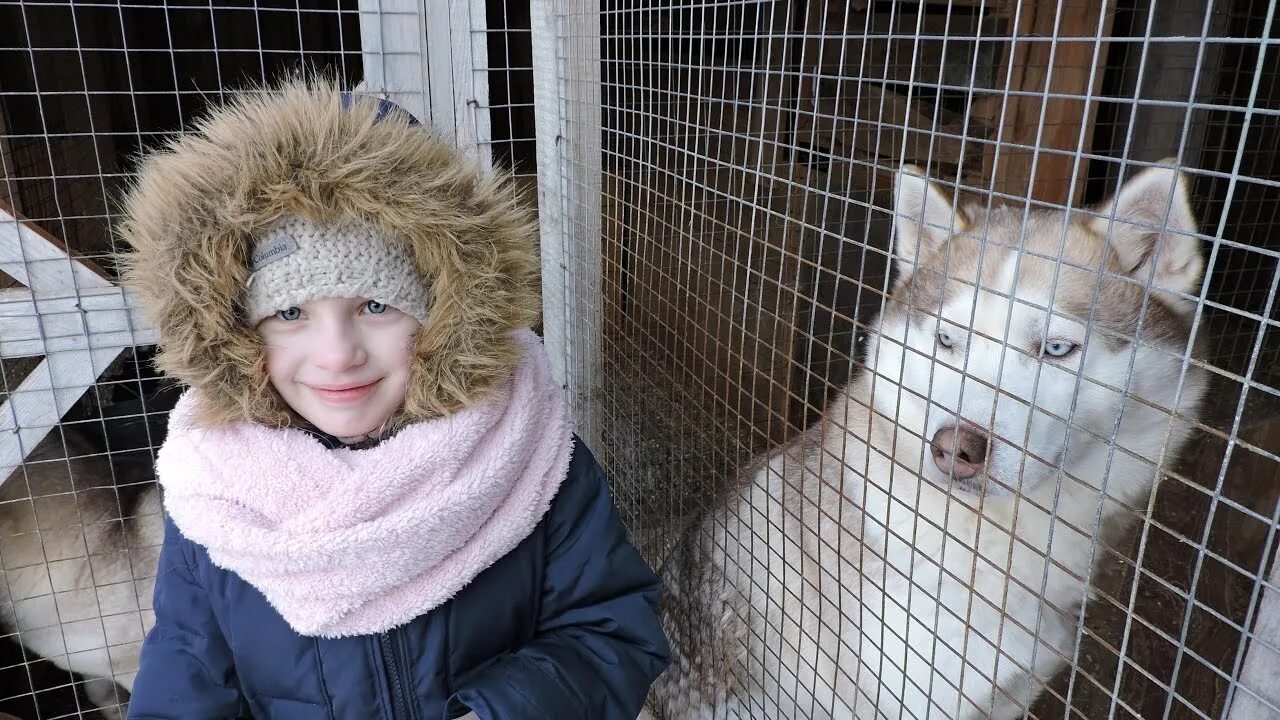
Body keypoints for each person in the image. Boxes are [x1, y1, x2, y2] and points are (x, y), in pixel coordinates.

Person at [117, 77, 671, 719]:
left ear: (444, 313)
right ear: (236, 334)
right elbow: (185, 669)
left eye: (376, 305)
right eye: (290, 312)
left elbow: (610, 628)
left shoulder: (529, 453)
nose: (338, 354)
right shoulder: (218, 488)